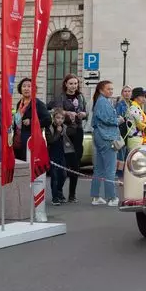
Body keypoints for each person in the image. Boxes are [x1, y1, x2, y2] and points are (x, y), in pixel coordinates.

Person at [57, 74, 87, 203]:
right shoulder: (61, 97)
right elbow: (57, 111)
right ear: (66, 84)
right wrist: (67, 113)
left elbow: (86, 111)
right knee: (65, 164)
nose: (73, 86)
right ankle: (58, 192)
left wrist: (83, 114)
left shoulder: (80, 96)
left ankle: (72, 194)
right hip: (66, 131)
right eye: (71, 83)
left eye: (75, 84)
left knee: (76, 164)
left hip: (78, 131)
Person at [90, 80, 120, 206]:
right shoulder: (103, 101)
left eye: (112, 89)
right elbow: (108, 119)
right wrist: (119, 119)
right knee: (110, 168)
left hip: (100, 135)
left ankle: (96, 197)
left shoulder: (99, 100)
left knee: (99, 168)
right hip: (107, 137)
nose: (111, 91)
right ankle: (111, 197)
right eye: (108, 89)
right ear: (101, 90)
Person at [13, 77, 51, 163]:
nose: (26, 88)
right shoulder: (19, 103)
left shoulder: (38, 104)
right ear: (20, 89)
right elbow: (17, 121)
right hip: (17, 141)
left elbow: (48, 120)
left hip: (30, 142)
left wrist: (32, 121)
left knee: (28, 168)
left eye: (29, 86)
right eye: (24, 86)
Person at [45, 108, 71, 206]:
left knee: (63, 175)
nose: (59, 120)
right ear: (54, 118)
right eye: (57, 118)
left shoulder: (64, 127)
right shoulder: (50, 128)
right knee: (54, 177)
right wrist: (58, 132)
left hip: (62, 154)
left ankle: (59, 192)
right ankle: (55, 197)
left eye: (62, 118)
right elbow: (51, 141)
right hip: (52, 155)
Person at [114, 85, 132, 181]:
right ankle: (119, 174)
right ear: (122, 93)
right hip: (121, 129)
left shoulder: (131, 103)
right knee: (121, 152)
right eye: (125, 91)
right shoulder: (120, 104)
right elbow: (118, 117)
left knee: (126, 152)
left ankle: (124, 173)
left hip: (129, 130)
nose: (127, 93)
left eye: (129, 91)